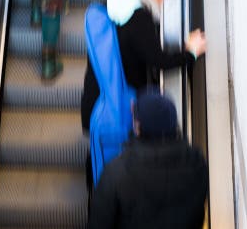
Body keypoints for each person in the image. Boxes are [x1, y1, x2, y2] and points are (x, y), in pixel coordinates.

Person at [81, 0, 206, 131]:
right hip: (118, 107)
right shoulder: (138, 16)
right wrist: (191, 52)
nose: (162, 2)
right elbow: (159, 61)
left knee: (101, 154)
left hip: (99, 99)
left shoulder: (115, 3)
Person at [88, 90, 208, 229]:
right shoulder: (198, 164)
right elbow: (198, 214)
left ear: (138, 127)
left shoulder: (116, 172)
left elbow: (99, 223)